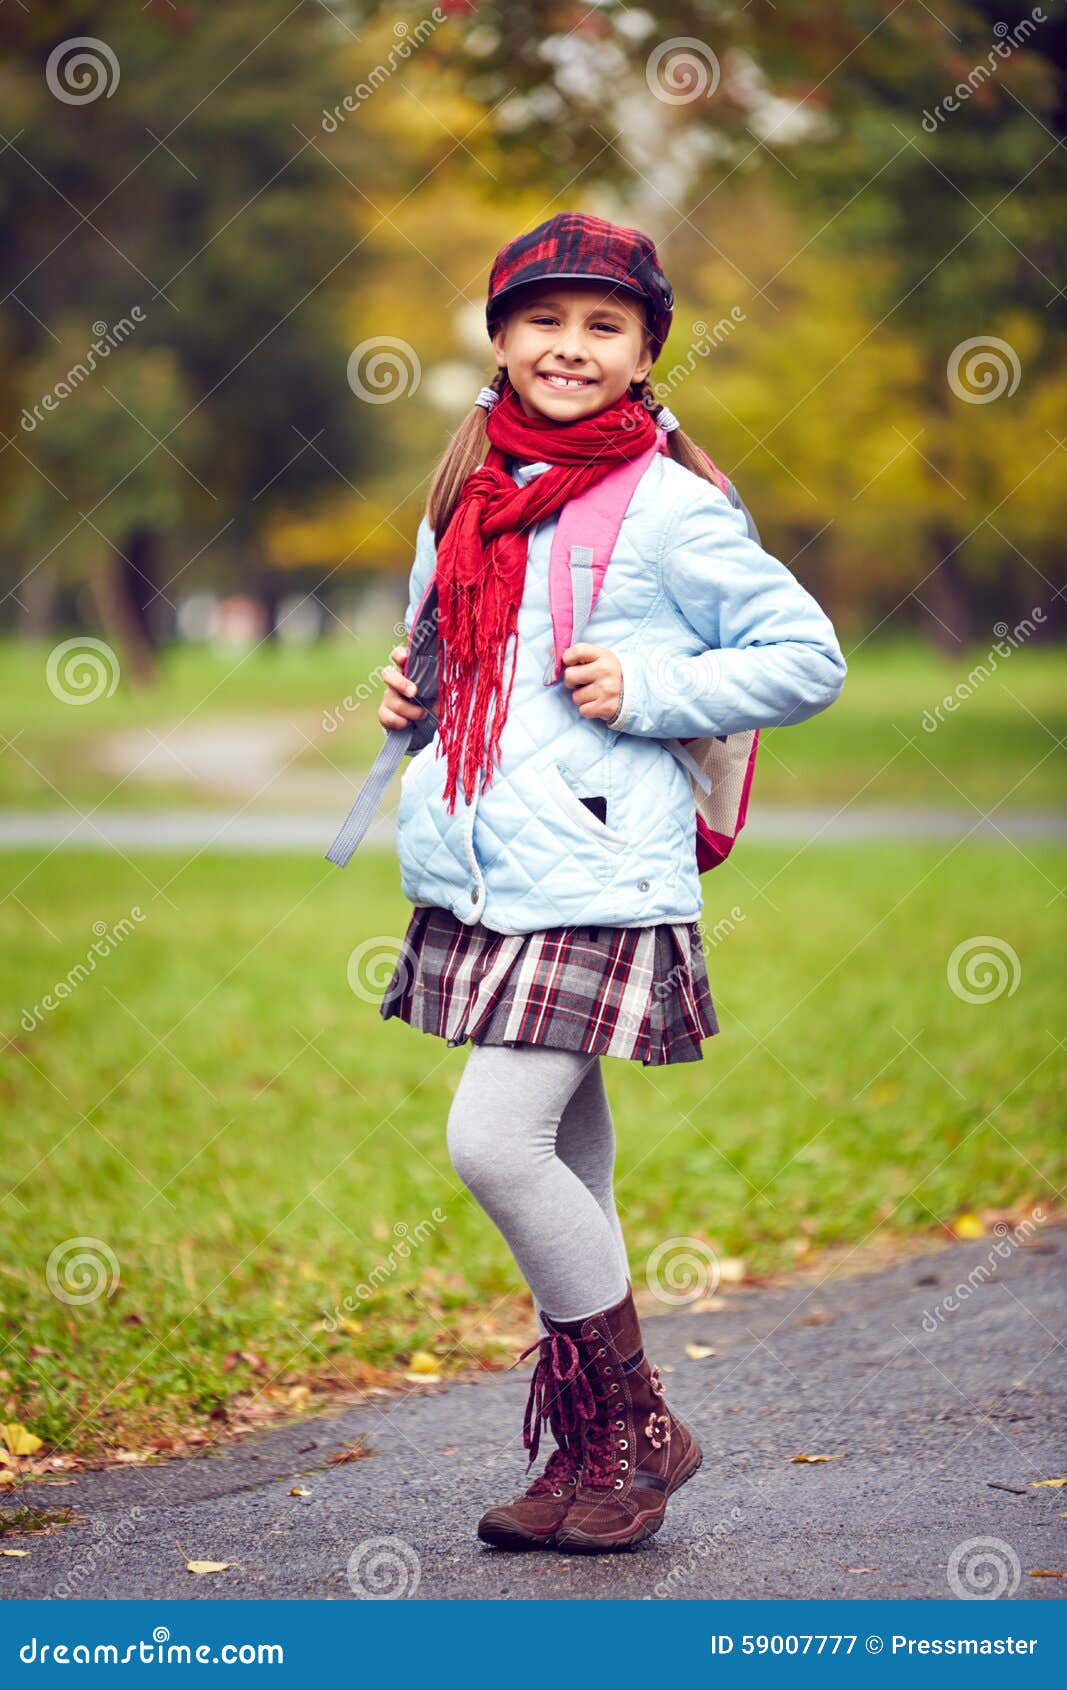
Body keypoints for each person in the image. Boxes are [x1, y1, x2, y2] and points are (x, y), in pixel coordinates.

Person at [375, 212, 847, 1554]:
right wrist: (408, 692)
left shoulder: (672, 505)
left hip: (595, 867)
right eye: (544, 319)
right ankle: (598, 1449)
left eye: (603, 325)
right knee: (566, 1150)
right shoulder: (467, 481)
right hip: (488, 865)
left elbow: (806, 657)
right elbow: (452, 656)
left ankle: (635, 1427)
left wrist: (654, 688)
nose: (569, 345)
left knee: (494, 1141)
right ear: (502, 334)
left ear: (645, 350)